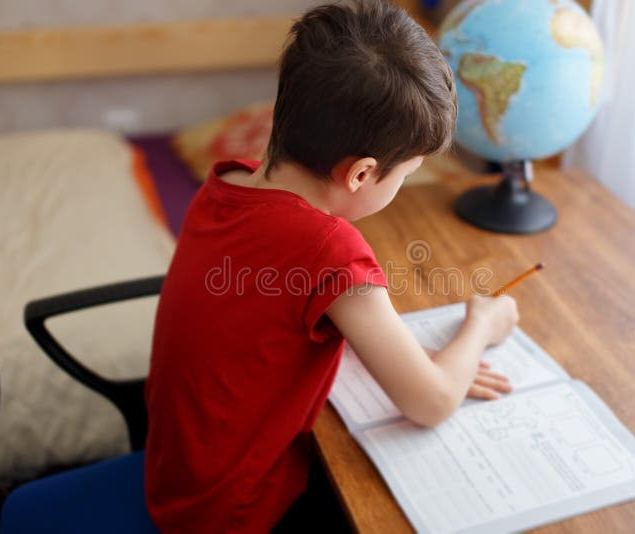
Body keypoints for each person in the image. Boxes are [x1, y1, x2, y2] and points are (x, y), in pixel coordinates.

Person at [144, 1, 519, 532]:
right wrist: (481, 323)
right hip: (234, 516)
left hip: (177, 480)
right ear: (363, 174)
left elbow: (267, 317)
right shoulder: (329, 251)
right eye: (406, 174)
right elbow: (432, 401)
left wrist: (404, 352)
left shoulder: (227, 180)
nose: (403, 184)